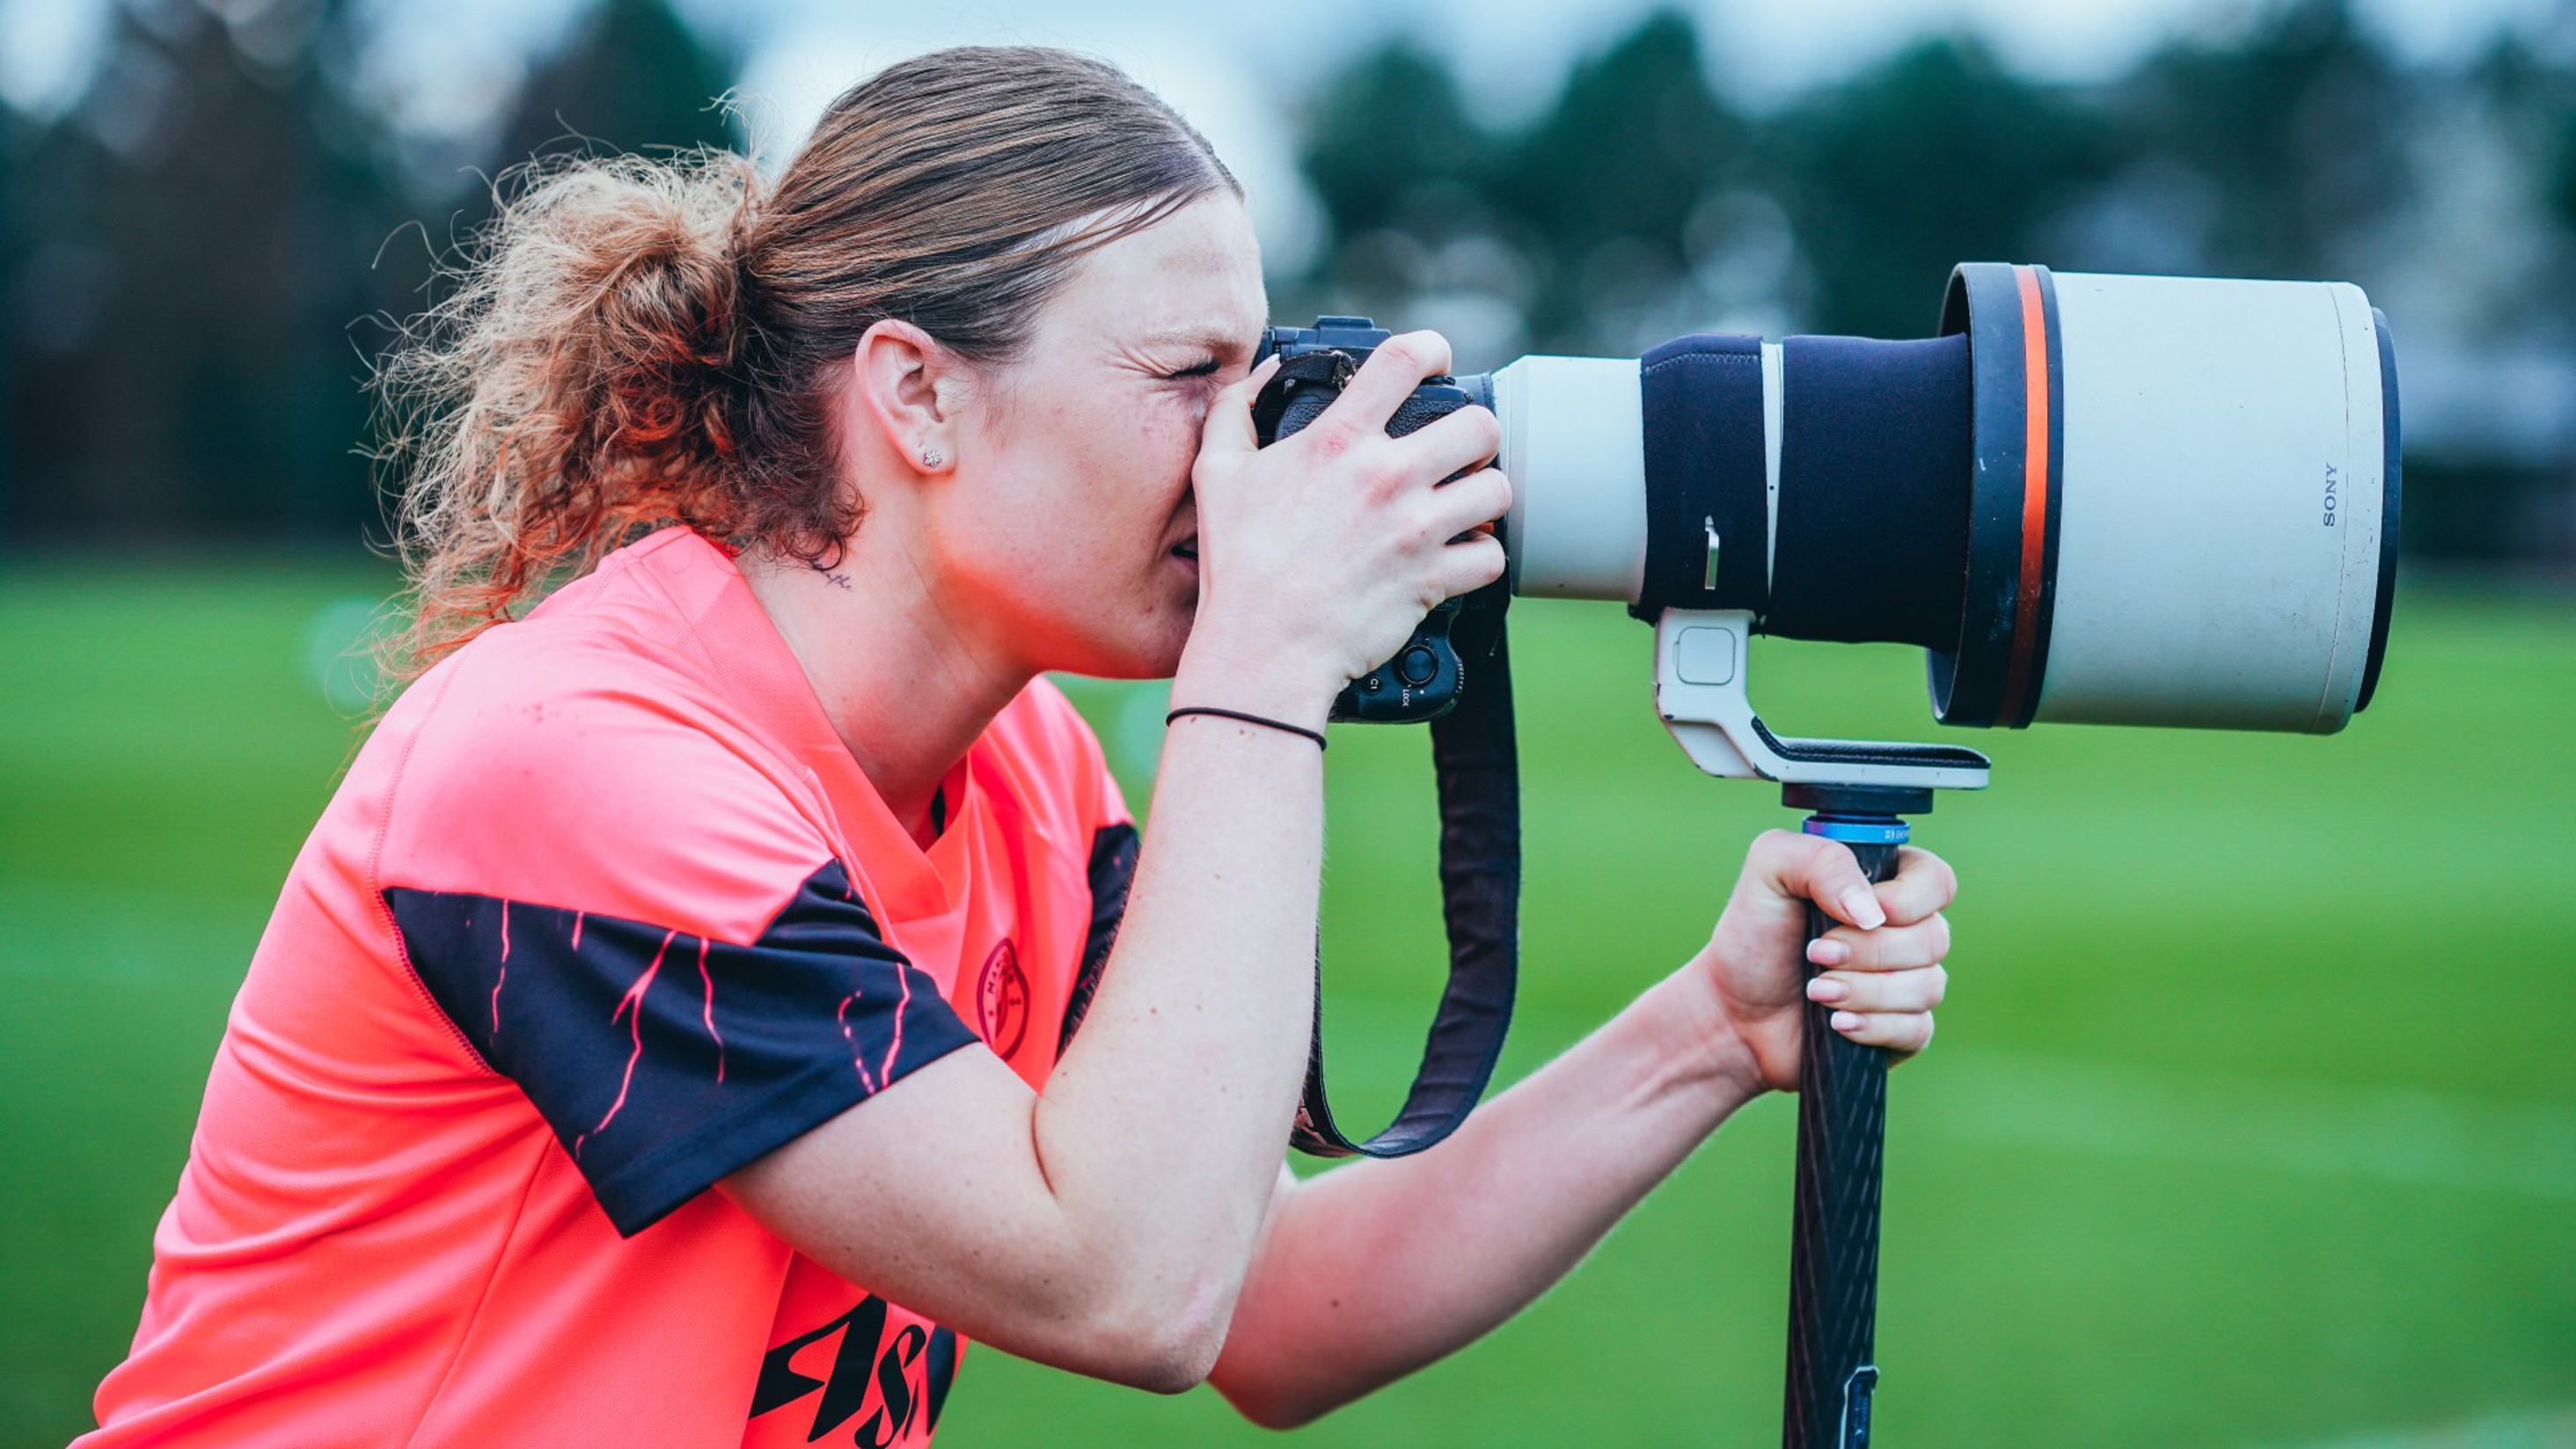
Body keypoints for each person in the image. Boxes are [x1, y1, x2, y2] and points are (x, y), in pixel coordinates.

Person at [80, 46, 1956, 1447]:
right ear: (914, 393)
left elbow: (1263, 1301)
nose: (1253, 453)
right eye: (1188, 381)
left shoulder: (1033, 776)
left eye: (1259, 373)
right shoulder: (585, 763)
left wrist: (1706, 1031)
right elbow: (1126, 1286)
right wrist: (1268, 660)